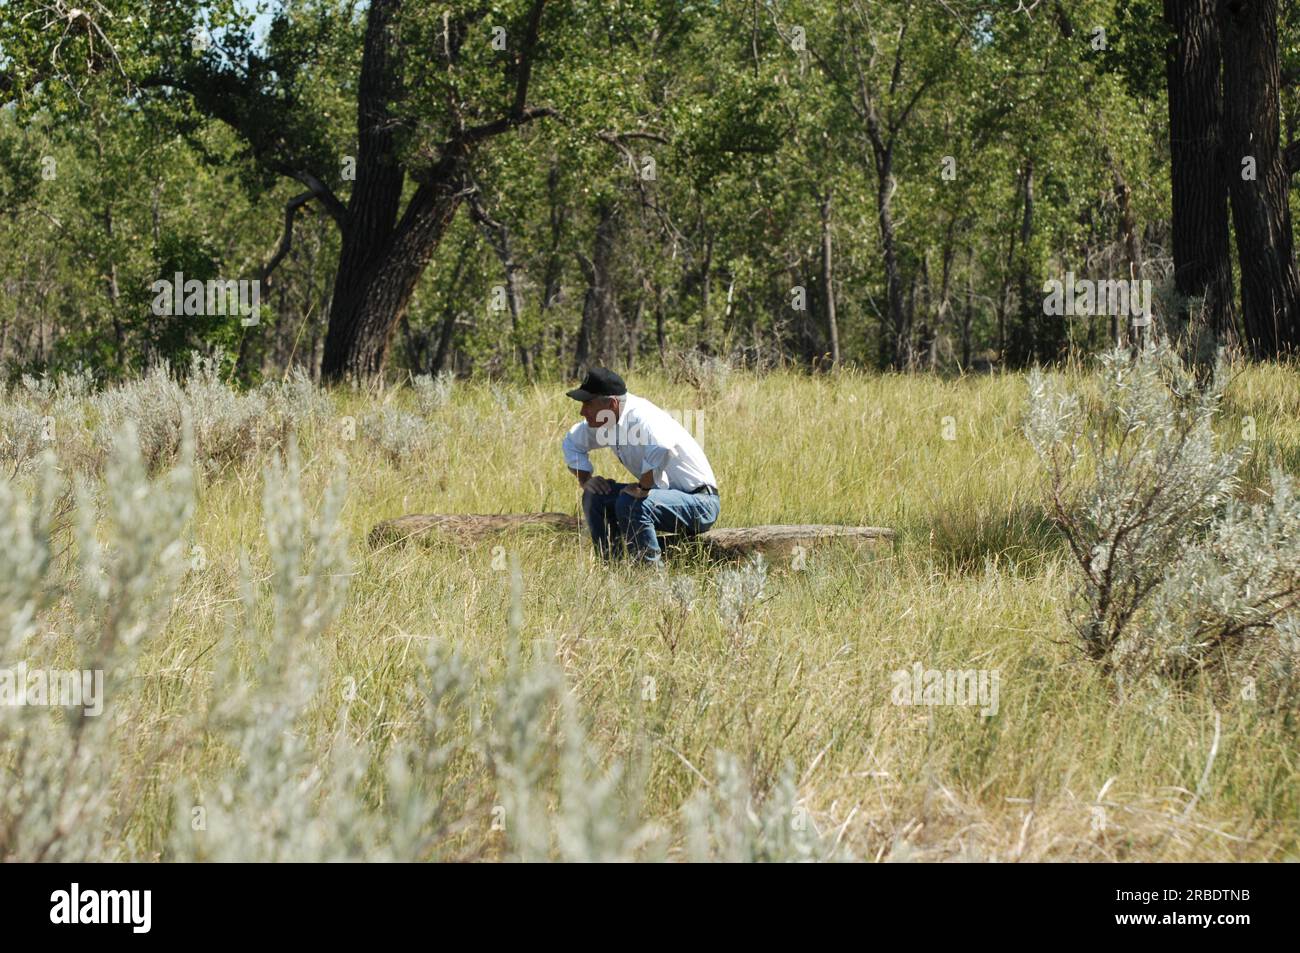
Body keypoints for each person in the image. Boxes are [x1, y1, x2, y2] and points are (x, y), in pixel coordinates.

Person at [562, 367, 720, 565]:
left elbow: (662, 446)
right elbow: (571, 443)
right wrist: (586, 481)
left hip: (701, 504)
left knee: (630, 503)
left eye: (588, 403)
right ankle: (614, 570)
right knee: (594, 497)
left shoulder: (641, 415)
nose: (582, 411)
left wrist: (642, 488)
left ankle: (650, 581)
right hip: (662, 499)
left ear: (611, 404)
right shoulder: (609, 419)